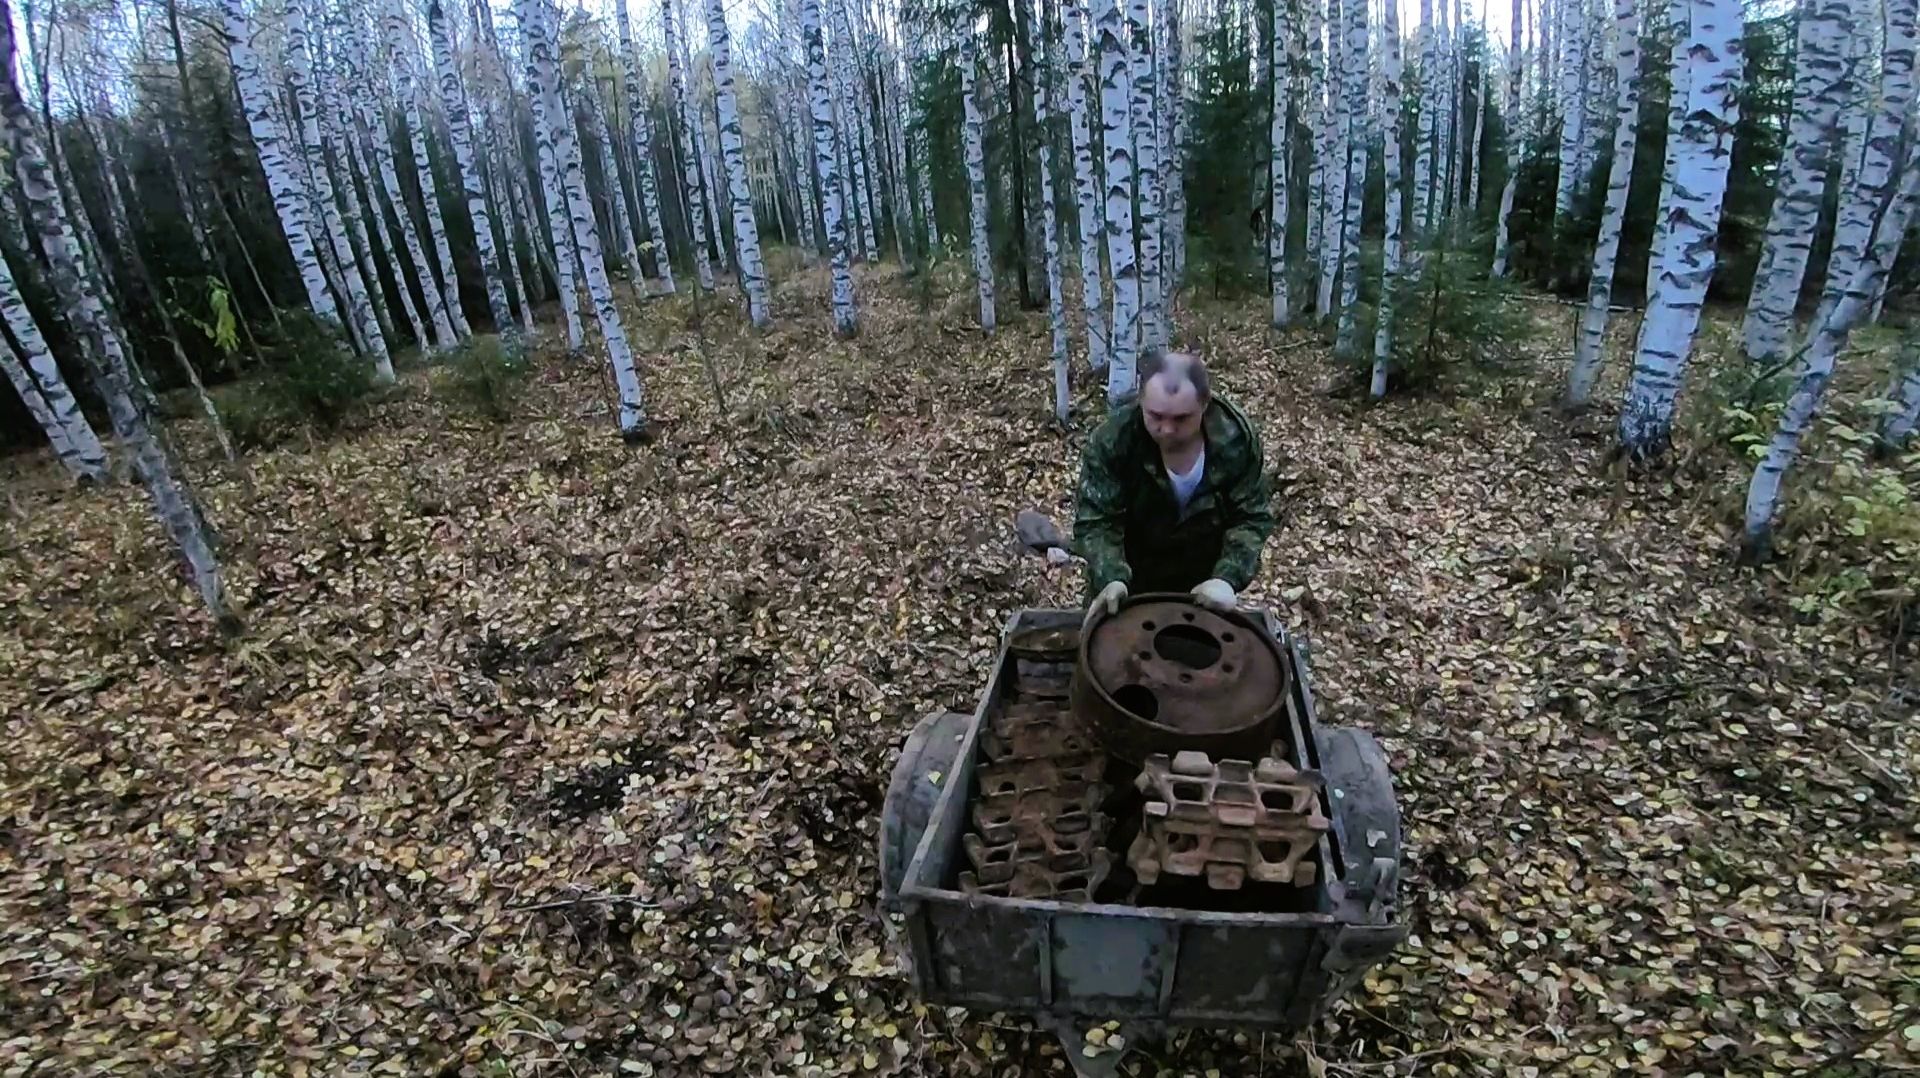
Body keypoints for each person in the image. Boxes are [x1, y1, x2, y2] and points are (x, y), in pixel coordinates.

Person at [1072, 350, 1275, 622]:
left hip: (1202, 589)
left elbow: (1250, 518)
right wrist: (1111, 577)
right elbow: (1097, 521)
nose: (1166, 429)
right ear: (1141, 401)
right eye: (1155, 416)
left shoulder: (1235, 439)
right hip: (1126, 586)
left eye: (1181, 418)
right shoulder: (1115, 441)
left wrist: (1227, 579)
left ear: (1205, 404)